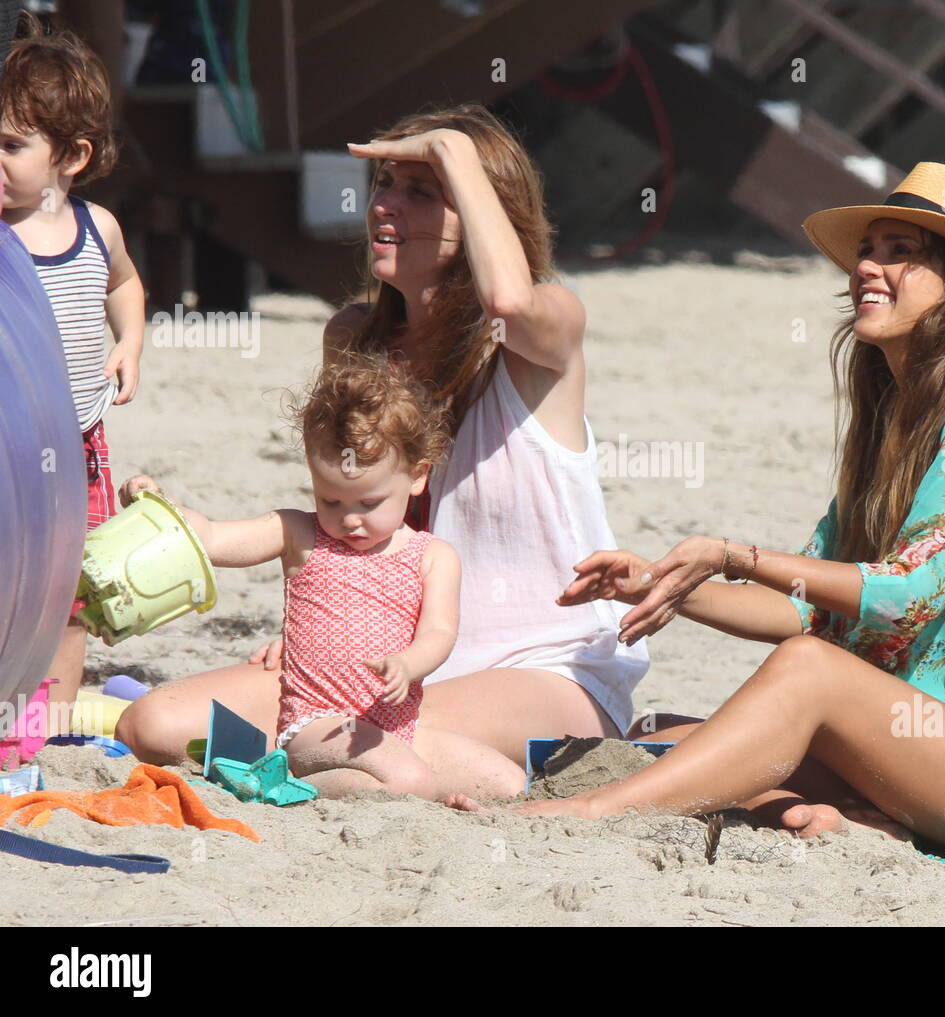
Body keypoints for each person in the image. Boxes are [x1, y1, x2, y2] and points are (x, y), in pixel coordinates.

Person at [452, 164, 945, 867]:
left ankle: (590, 812)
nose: (867, 267)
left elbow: (905, 592)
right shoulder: (892, 420)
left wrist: (734, 555)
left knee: (802, 674)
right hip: (930, 741)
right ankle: (848, 820)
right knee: (665, 736)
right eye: (867, 250)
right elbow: (813, 609)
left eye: (899, 251)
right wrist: (671, 586)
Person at [115, 105, 649, 797]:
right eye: (385, 186)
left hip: (548, 668)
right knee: (155, 720)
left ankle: (374, 772)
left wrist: (456, 150)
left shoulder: (544, 330)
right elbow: (371, 521)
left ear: (484, 216)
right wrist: (327, 630)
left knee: (369, 739)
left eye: (420, 192)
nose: (384, 208)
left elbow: (507, 300)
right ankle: (364, 769)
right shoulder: (355, 339)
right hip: (398, 656)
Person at [117, 358, 488, 799]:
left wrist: (409, 664)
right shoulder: (299, 532)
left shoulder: (433, 556)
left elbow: (441, 633)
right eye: (330, 499)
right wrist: (162, 507)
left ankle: (346, 786)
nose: (349, 519)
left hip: (394, 726)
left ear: (417, 477)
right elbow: (214, 538)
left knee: (505, 780)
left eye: (369, 503)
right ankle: (286, 784)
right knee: (409, 782)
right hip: (316, 723)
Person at [0, 15, 145, 733]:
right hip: (9, 451)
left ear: (72, 157)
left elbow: (124, 285)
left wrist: (130, 341)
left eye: (10, 146)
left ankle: (47, 724)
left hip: (79, 450)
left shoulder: (98, 229)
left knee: (73, 591)